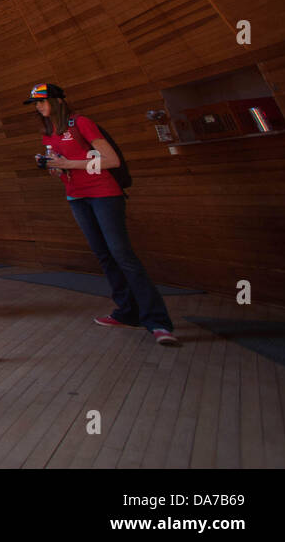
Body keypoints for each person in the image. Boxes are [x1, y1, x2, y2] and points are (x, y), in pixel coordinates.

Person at [26, 83, 178, 347]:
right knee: (104, 256)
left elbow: (110, 160)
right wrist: (53, 167)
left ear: (58, 101)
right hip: (77, 197)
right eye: (35, 104)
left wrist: (69, 163)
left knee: (122, 254)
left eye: (42, 101)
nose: (38, 107)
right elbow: (60, 168)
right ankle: (127, 312)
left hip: (104, 194)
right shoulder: (48, 133)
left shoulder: (81, 123)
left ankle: (158, 322)